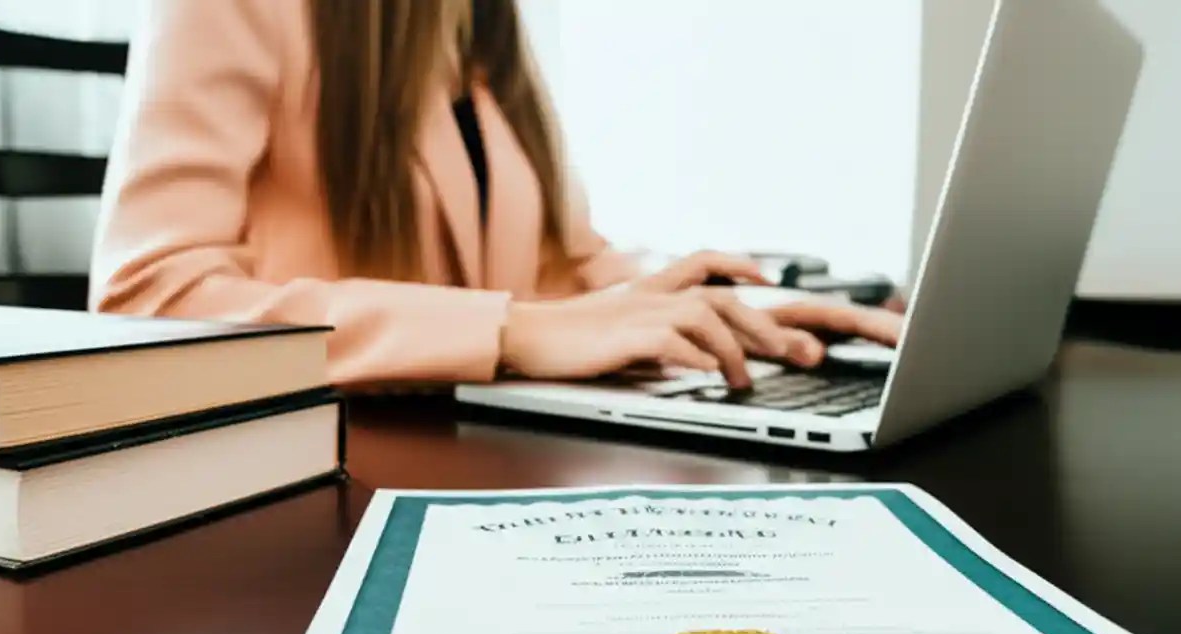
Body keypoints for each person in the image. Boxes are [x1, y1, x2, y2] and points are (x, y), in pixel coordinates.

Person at [89, 0, 903, 394]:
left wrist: (730, 299)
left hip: (479, 456)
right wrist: (510, 330)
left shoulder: (483, 36)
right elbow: (145, 301)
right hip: (311, 488)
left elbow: (568, 261)